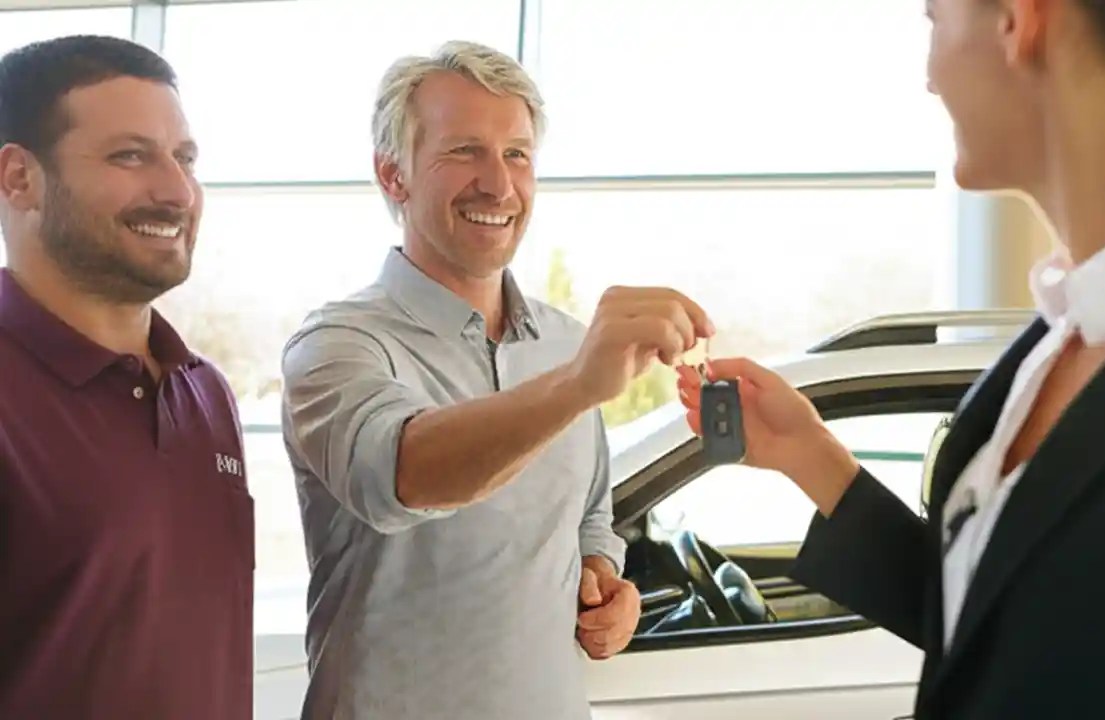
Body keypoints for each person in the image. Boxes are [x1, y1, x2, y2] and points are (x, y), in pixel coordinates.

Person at [679, 0, 1105, 718]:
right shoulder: (1055, 342)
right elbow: (1002, 631)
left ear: (1018, 20)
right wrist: (811, 456)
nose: (930, 77)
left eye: (933, 19)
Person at [280, 40, 712, 720]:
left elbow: (589, 520)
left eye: (517, 154)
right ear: (392, 175)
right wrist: (575, 385)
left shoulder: (568, 344)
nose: (499, 184)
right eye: (463, 152)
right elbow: (401, 475)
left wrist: (604, 584)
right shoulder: (336, 346)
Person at [0, 36, 252, 719]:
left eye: (185, 159)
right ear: (19, 177)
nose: (177, 191)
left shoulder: (207, 394)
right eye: (130, 156)